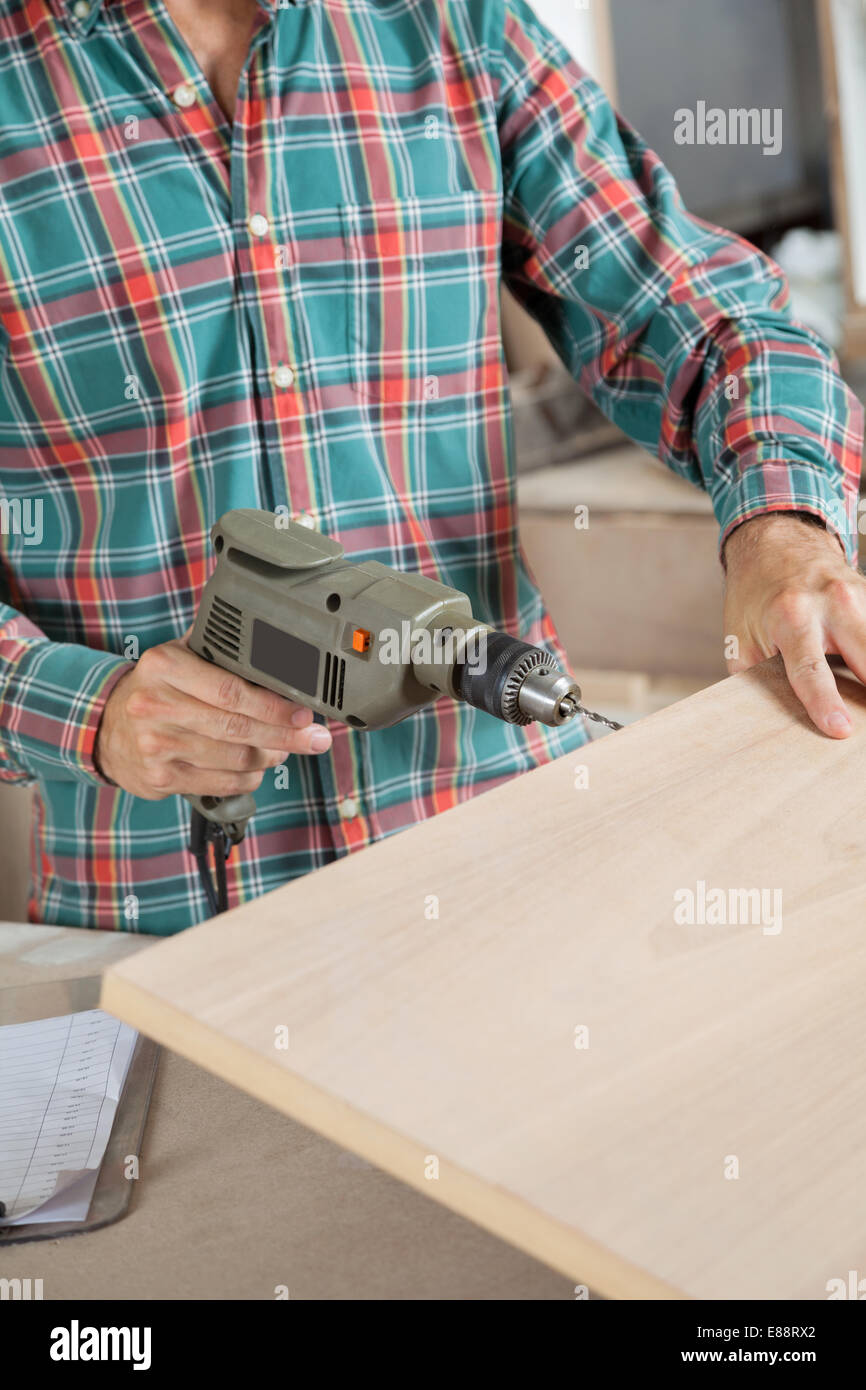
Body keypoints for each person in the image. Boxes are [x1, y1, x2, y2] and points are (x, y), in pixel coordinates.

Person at [0, 0, 862, 931]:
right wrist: (90, 711)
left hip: (508, 867)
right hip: (161, 920)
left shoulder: (454, 25)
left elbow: (699, 316)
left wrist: (784, 530)